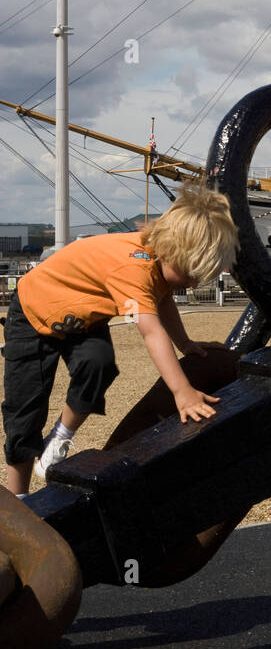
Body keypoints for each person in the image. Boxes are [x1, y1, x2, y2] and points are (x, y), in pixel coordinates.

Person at [2, 183, 239, 500]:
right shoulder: (133, 267)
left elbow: (164, 298)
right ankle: (17, 500)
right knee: (25, 409)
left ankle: (59, 439)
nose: (194, 282)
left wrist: (185, 343)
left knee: (98, 365)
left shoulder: (158, 260)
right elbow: (151, 331)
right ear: (172, 251)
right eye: (191, 273)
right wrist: (182, 392)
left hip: (82, 318)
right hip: (33, 311)